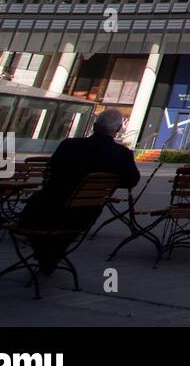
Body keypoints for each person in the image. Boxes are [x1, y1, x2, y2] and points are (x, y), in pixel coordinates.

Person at [17, 109, 140, 274]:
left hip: (47, 210)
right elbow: (131, 180)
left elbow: (51, 170)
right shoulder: (122, 154)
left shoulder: (69, 145)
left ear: (94, 126)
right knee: (63, 228)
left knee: (39, 211)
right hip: (85, 213)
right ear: (118, 129)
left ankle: (46, 253)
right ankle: (51, 253)